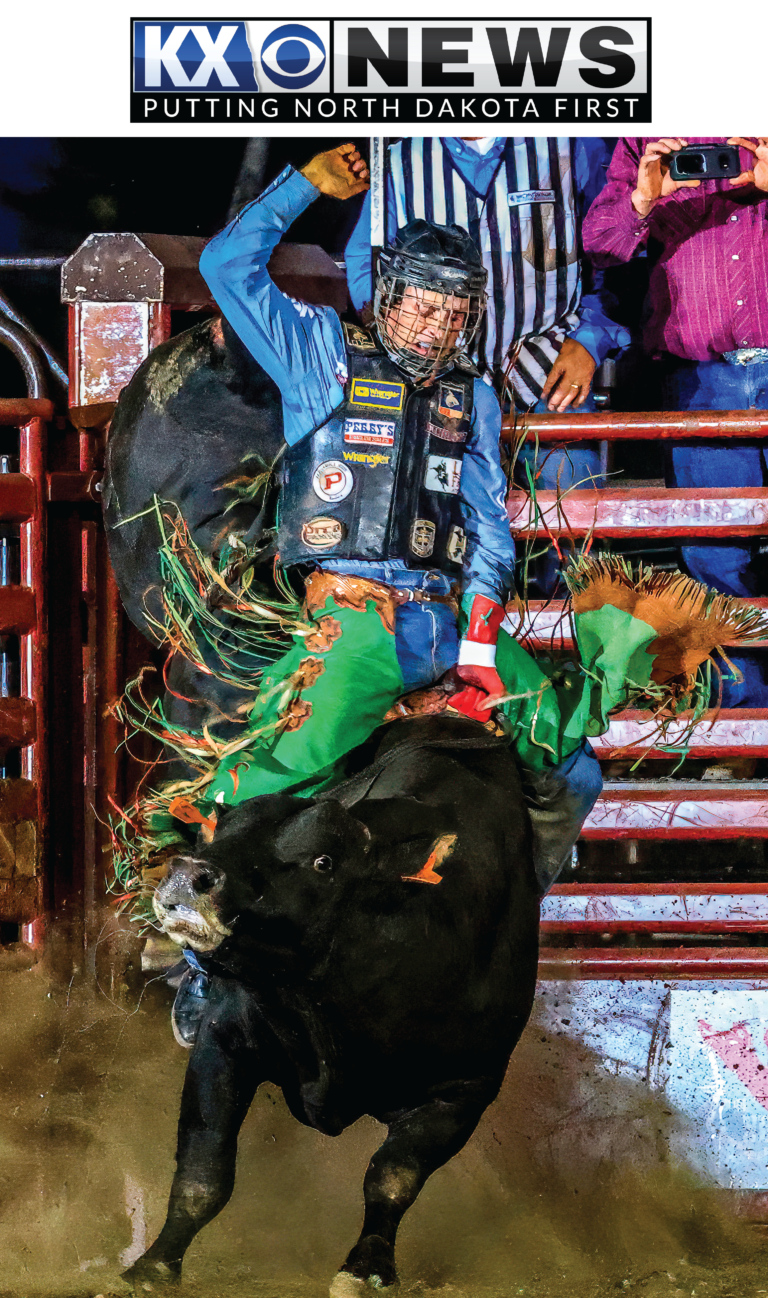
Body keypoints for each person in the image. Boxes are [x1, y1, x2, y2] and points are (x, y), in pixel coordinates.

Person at [196, 141, 602, 882]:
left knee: (572, 763)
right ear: (389, 296)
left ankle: (515, 904)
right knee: (274, 772)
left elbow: (487, 525)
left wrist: (481, 640)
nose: (434, 325)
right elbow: (226, 266)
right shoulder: (319, 353)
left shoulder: (472, 395)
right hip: (356, 620)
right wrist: (303, 187)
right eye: (422, 303)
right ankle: (191, 900)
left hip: (448, 617)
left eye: (454, 311)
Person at [345, 136, 631, 555]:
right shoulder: (399, 159)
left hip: (550, 376)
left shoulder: (572, 144)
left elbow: (612, 247)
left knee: (570, 535)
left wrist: (590, 338)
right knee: (444, 532)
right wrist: (394, 337)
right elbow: (367, 266)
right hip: (443, 383)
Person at [583, 136, 768, 708]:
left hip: (712, 380)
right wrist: (644, 198)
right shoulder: (650, 136)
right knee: (716, 559)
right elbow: (601, 245)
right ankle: (744, 723)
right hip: (703, 382)